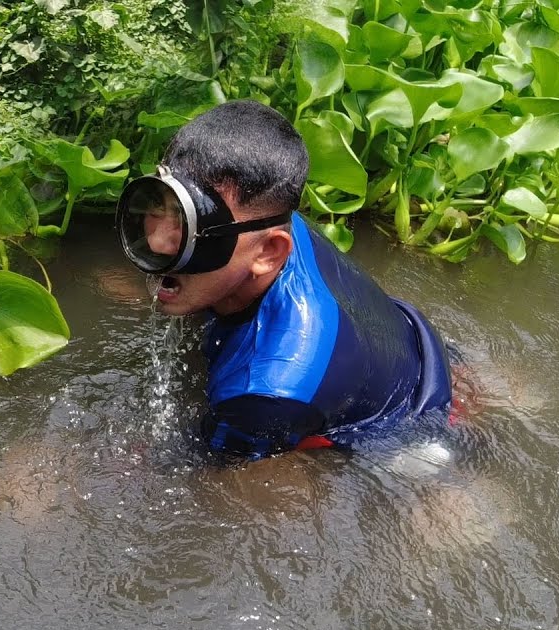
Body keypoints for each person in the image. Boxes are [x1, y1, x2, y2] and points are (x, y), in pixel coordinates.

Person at [115, 100, 453, 459]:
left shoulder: (266, 393)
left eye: (191, 225)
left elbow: (198, 468)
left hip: (407, 424)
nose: (156, 242)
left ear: (268, 253)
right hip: (398, 336)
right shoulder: (268, 219)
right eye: (156, 208)